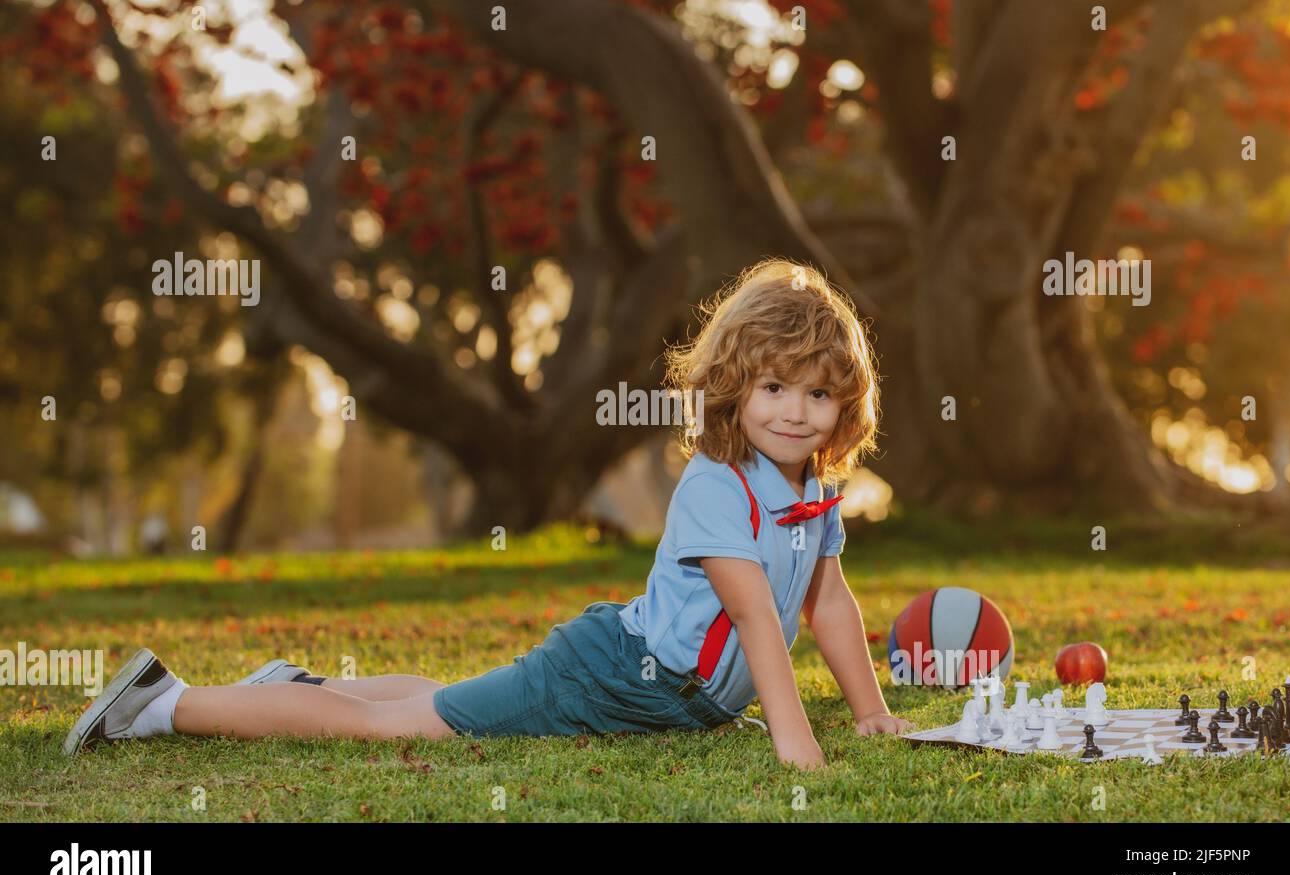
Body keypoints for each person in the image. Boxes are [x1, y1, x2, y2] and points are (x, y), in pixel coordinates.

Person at [64, 258, 914, 770]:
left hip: (671, 698)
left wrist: (870, 711)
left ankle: (294, 687)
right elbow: (755, 615)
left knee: (444, 697)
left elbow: (826, 600)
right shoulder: (717, 484)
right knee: (406, 725)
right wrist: (796, 746)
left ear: (847, 404)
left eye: (818, 393)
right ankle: (162, 703)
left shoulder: (809, 492)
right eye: (774, 387)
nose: (796, 412)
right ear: (734, 388)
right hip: (611, 675)